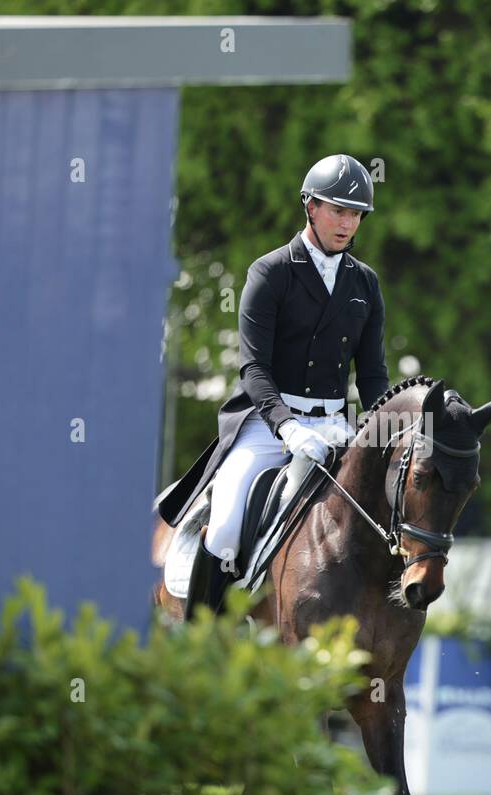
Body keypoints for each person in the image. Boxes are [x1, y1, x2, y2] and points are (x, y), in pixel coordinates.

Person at [156, 154, 391, 618]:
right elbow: (254, 370)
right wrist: (287, 428)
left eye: (356, 214)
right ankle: (204, 634)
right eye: (338, 210)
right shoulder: (271, 273)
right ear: (310, 207)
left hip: (335, 428)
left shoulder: (365, 283)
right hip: (267, 424)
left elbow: (372, 376)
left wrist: (379, 431)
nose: (348, 223)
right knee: (224, 528)